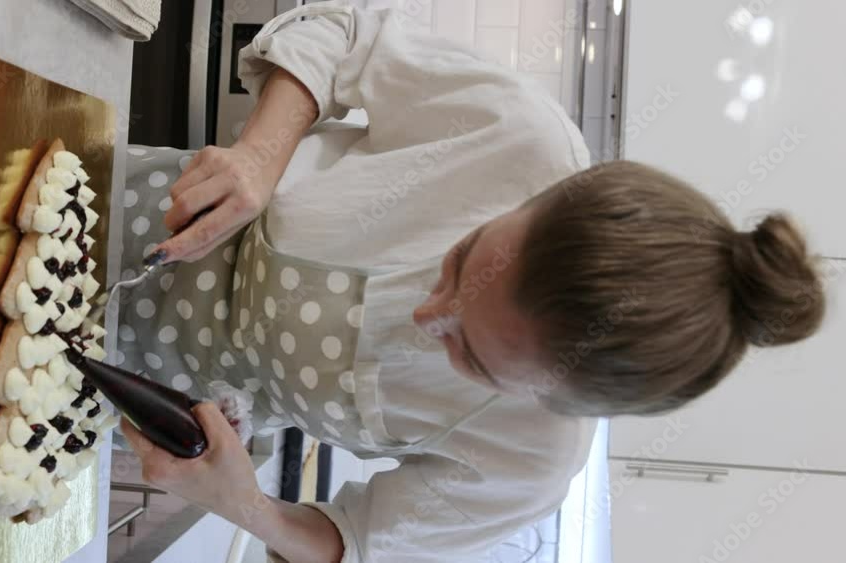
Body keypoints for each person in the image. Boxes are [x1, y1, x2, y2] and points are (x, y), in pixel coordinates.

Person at [114, 2, 827, 562]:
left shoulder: (529, 464)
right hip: (114, 201)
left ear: (560, 401)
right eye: (463, 259)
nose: (430, 316)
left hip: (128, 401)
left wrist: (242, 503)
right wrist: (260, 157)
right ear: (541, 195)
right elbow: (344, 37)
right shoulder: (518, 136)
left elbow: (354, 544)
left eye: (473, 357)